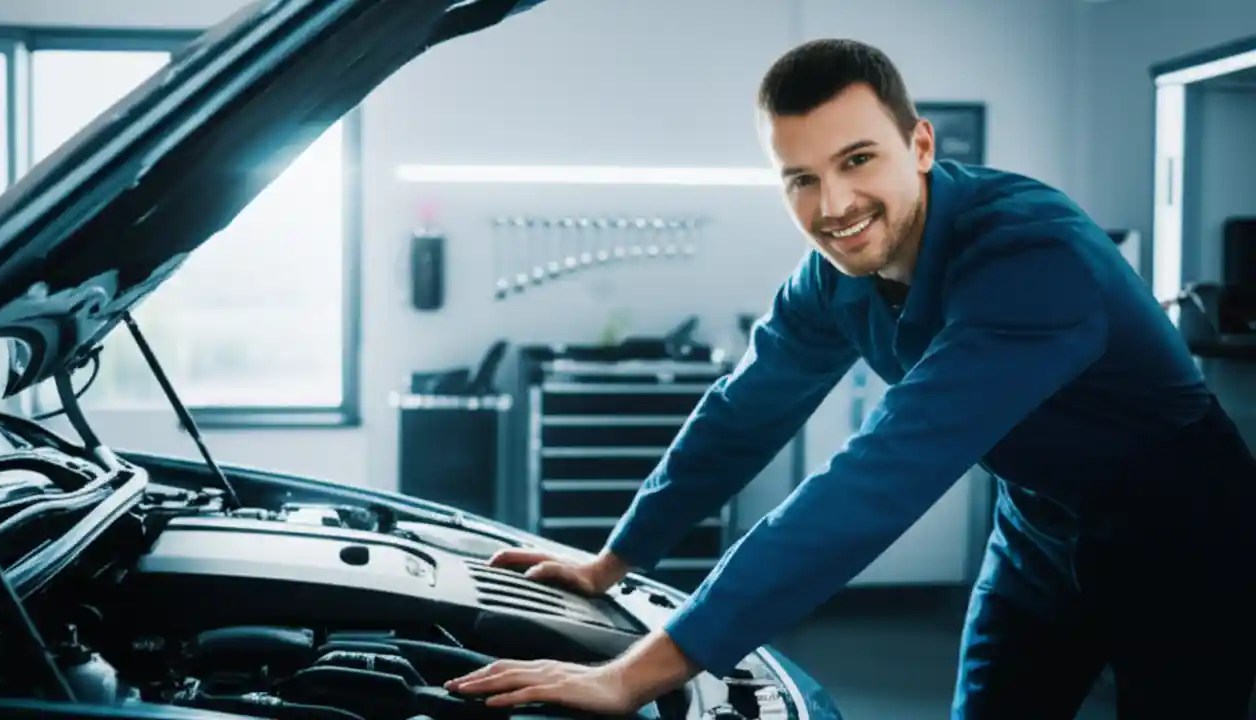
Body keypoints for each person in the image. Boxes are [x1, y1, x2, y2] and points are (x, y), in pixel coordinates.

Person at [445, 39, 1256, 719]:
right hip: (1038, 529)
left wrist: (635, 674)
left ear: (923, 146)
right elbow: (742, 415)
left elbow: (877, 479)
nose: (832, 204)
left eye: (857, 159)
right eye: (800, 178)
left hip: (1182, 529)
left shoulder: (1034, 258)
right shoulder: (830, 276)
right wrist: (614, 558)